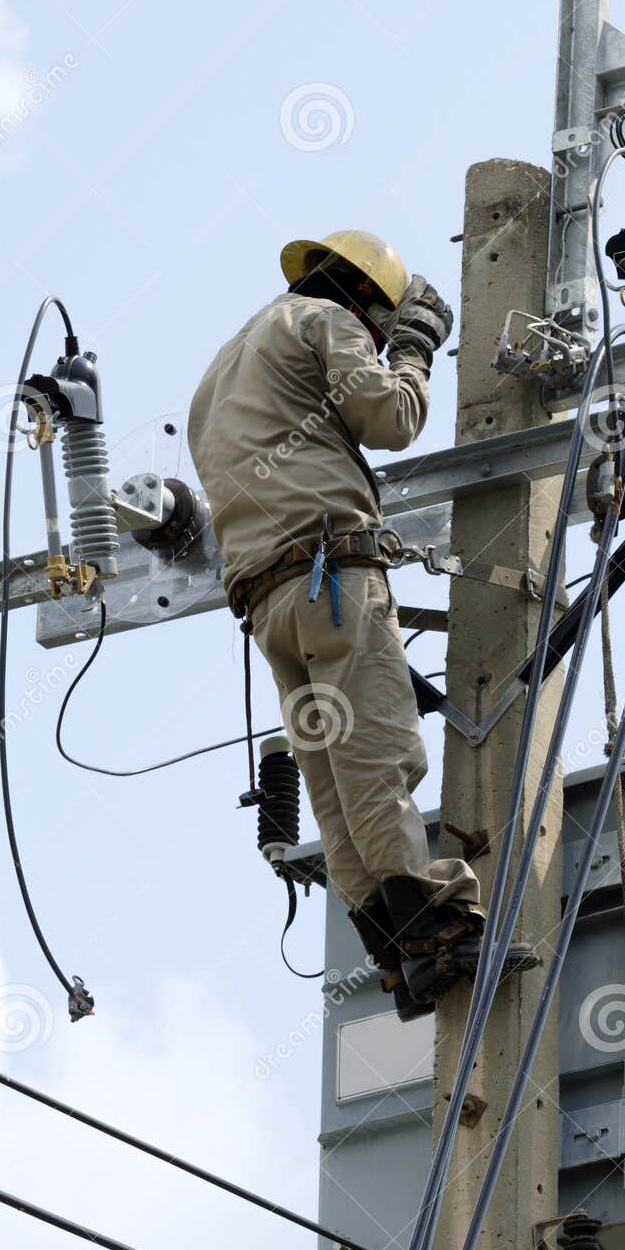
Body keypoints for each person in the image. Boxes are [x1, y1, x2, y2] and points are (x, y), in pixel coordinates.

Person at [188, 230, 533, 1019]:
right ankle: (437, 924)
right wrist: (412, 351)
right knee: (377, 753)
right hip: (332, 581)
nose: (378, 340)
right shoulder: (325, 321)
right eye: (382, 325)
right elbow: (391, 419)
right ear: (367, 299)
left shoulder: (222, 368)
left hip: (268, 605)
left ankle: (393, 946)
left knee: (336, 784)